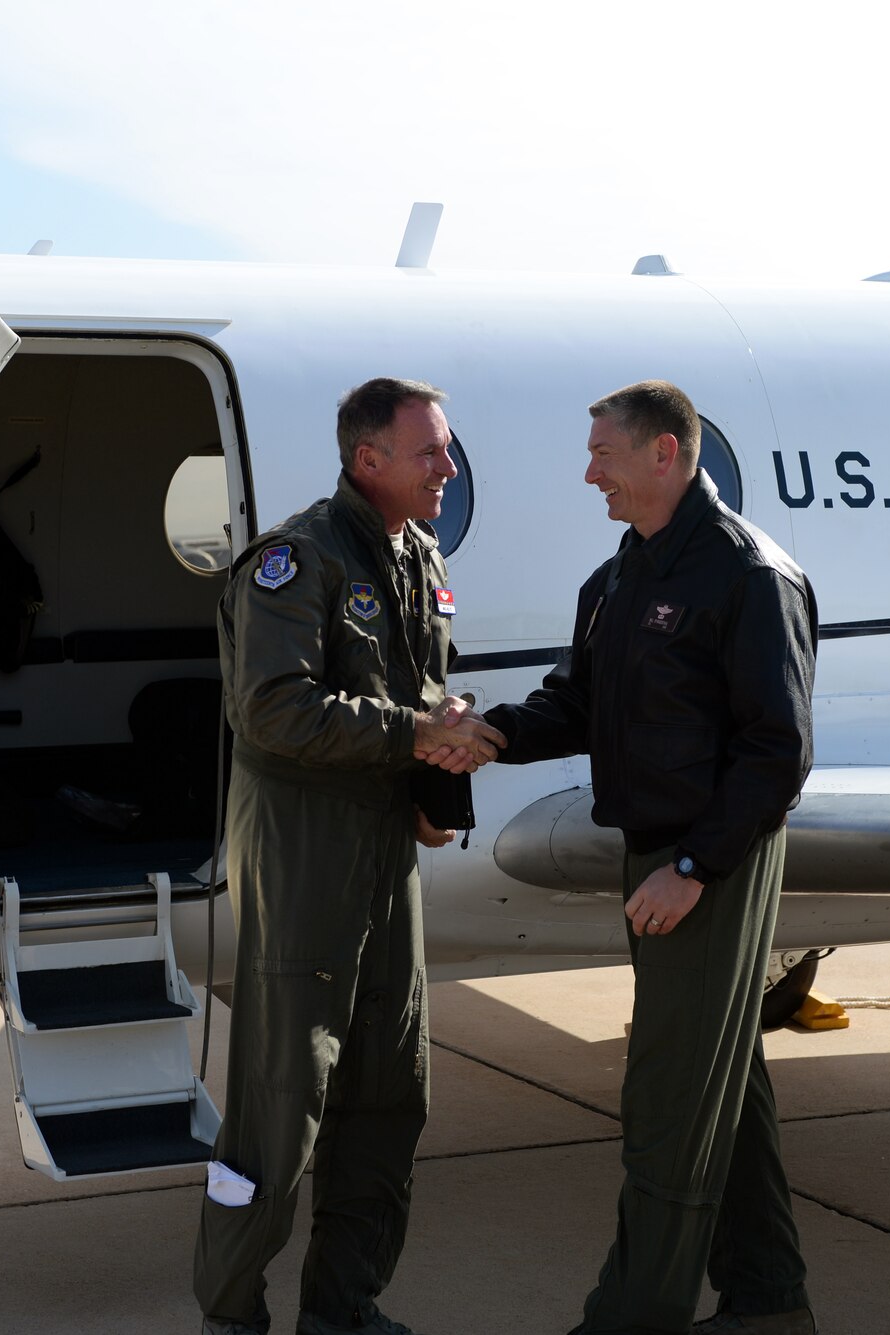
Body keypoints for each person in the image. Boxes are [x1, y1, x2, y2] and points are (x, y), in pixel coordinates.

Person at [481, 381, 819, 1335]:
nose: (590, 472)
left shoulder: (750, 576)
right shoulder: (620, 579)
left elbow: (776, 751)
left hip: (711, 861)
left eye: (605, 453)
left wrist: (696, 868)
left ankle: (634, 1314)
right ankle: (768, 1301)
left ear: (667, 452)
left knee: (668, 1097)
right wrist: (488, 734)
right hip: (656, 857)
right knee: (719, 1076)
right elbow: (577, 704)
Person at [195, 377, 506, 1335]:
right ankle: (231, 1312)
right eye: (430, 453)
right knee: (282, 1107)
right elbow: (273, 708)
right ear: (367, 460)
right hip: (306, 859)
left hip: (383, 856)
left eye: (446, 450)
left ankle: (344, 1309)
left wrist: (430, 787)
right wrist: (416, 735)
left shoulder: (416, 557)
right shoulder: (298, 559)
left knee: (390, 1090)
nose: (448, 468)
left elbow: (420, 687)